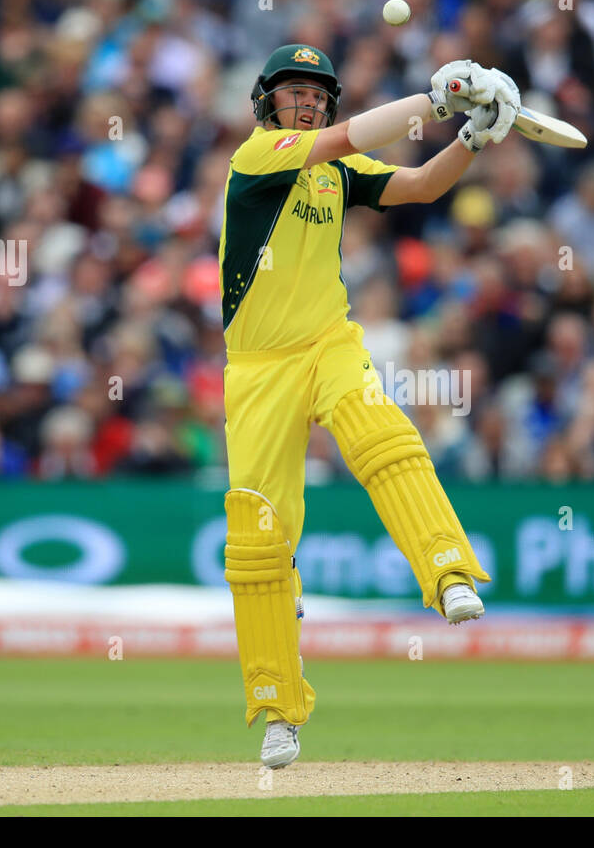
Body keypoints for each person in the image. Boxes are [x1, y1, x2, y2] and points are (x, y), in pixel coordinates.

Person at [219, 44, 520, 768]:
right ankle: (278, 710)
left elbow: (416, 186)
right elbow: (354, 134)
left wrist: (473, 138)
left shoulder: (333, 174)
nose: (309, 102)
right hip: (258, 370)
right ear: (268, 103)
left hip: (329, 343)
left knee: (383, 436)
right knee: (260, 537)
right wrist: (438, 99)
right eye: (295, 93)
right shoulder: (257, 158)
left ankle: (448, 572)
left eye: (318, 93)